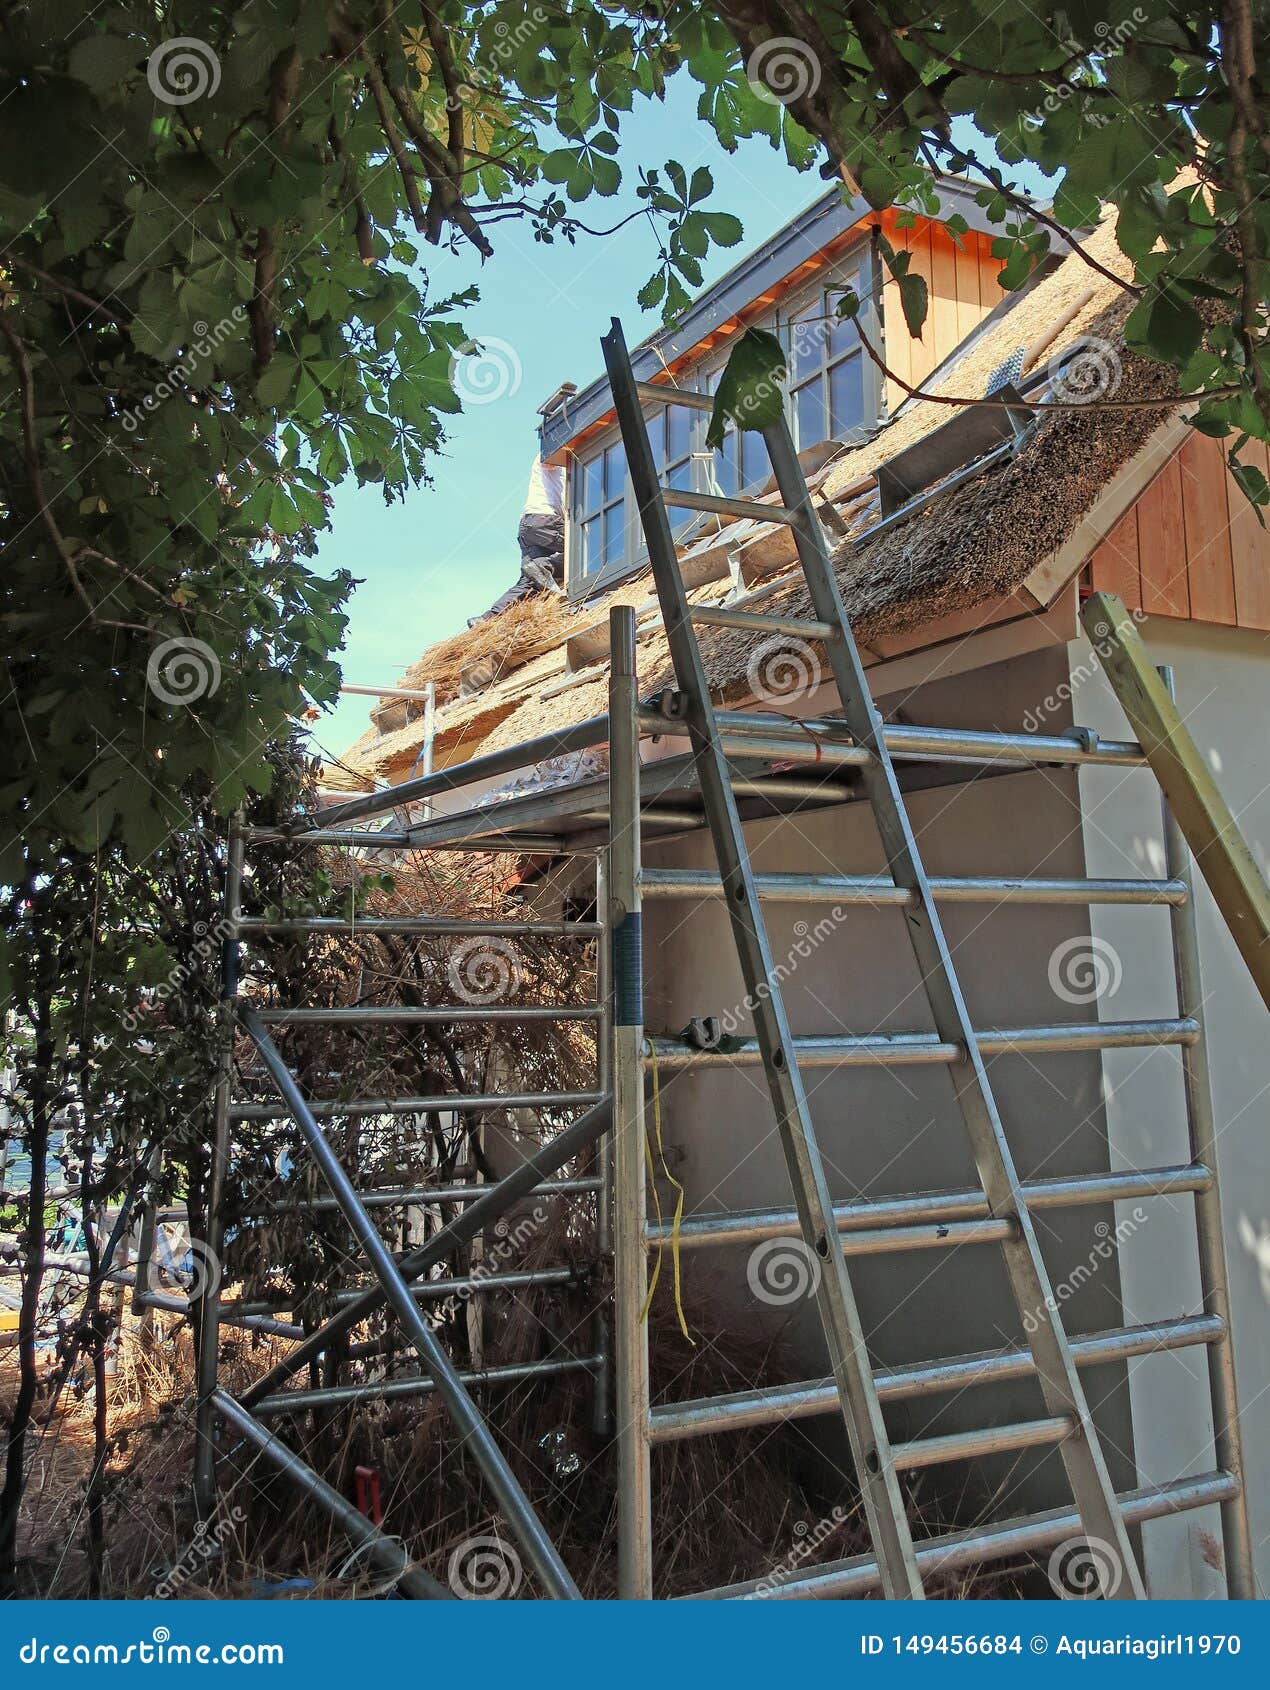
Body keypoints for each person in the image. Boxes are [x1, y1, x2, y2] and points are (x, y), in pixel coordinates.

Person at [470, 455, 566, 623]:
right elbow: (548, 457)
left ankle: (488, 618)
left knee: (530, 583)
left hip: (530, 526)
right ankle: (543, 565)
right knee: (585, 549)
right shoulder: (555, 455)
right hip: (545, 519)